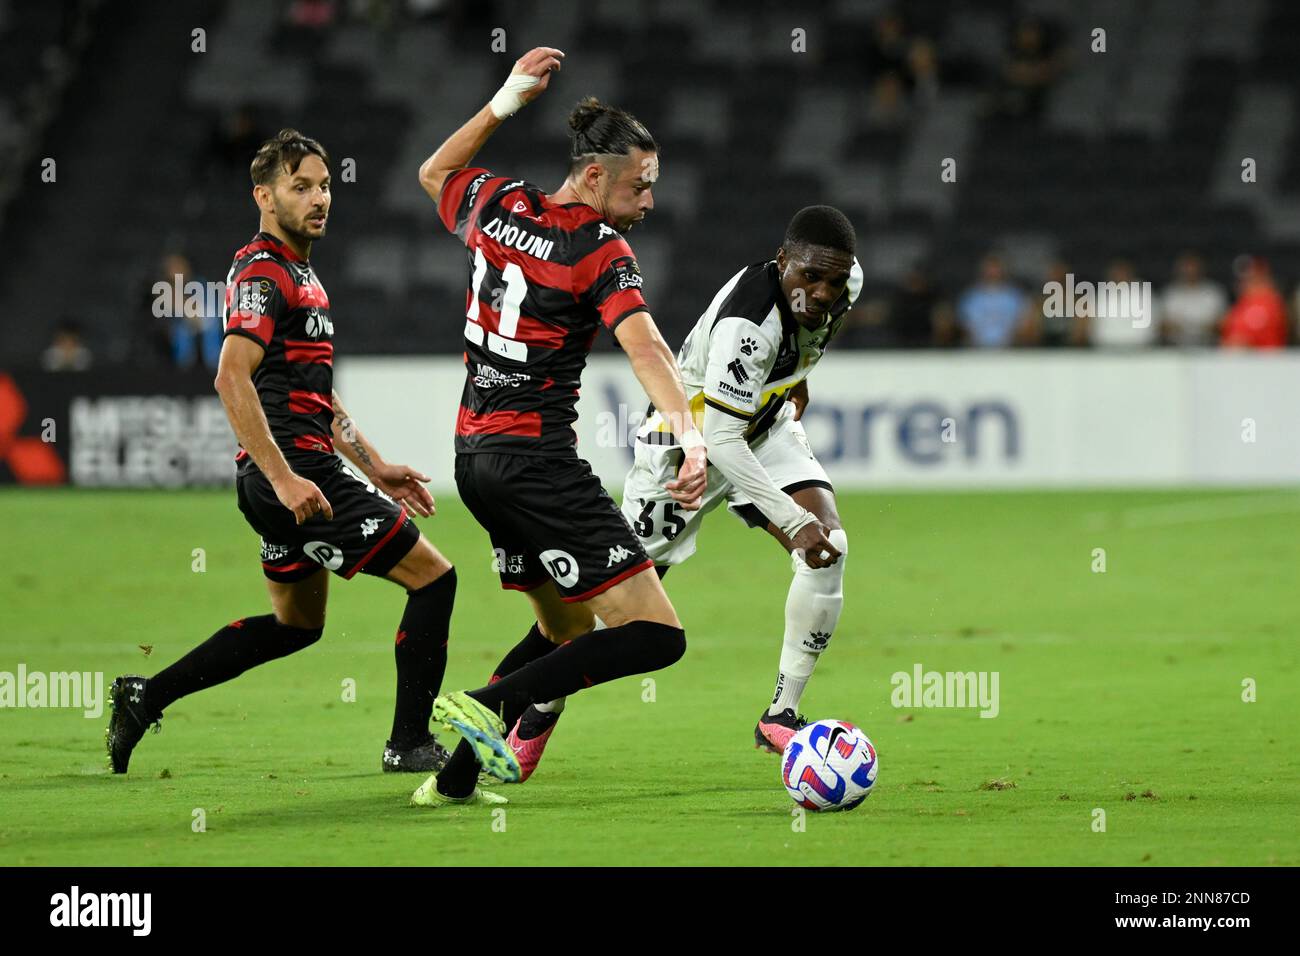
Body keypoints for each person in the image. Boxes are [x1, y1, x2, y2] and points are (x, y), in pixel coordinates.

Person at [106, 130, 457, 777]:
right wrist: (287, 478)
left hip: (295, 478)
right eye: (302, 186)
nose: (320, 198)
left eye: (325, 185)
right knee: (435, 580)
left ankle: (143, 696)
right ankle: (408, 742)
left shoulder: (301, 273)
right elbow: (230, 376)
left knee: (296, 625)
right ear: (263, 196)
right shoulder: (264, 272)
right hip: (298, 480)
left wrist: (374, 464)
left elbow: (316, 396)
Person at [412, 47, 707, 806]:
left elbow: (434, 175)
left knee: (565, 629)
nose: (648, 203)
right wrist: (692, 434)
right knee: (656, 635)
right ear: (597, 175)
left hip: (474, 462)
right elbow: (644, 345)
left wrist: (504, 101)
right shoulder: (599, 249)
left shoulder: (500, 204)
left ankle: (454, 780)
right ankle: (484, 703)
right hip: (538, 463)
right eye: (640, 186)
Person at [506, 207, 862, 778]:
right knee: (619, 613)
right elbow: (720, 440)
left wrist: (796, 380)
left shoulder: (844, 286)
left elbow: (809, 339)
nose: (820, 292)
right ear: (782, 261)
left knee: (830, 548)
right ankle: (538, 711)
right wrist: (794, 522)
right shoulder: (748, 326)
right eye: (808, 278)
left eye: (833, 281)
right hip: (685, 446)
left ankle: (781, 713)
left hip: (763, 428)